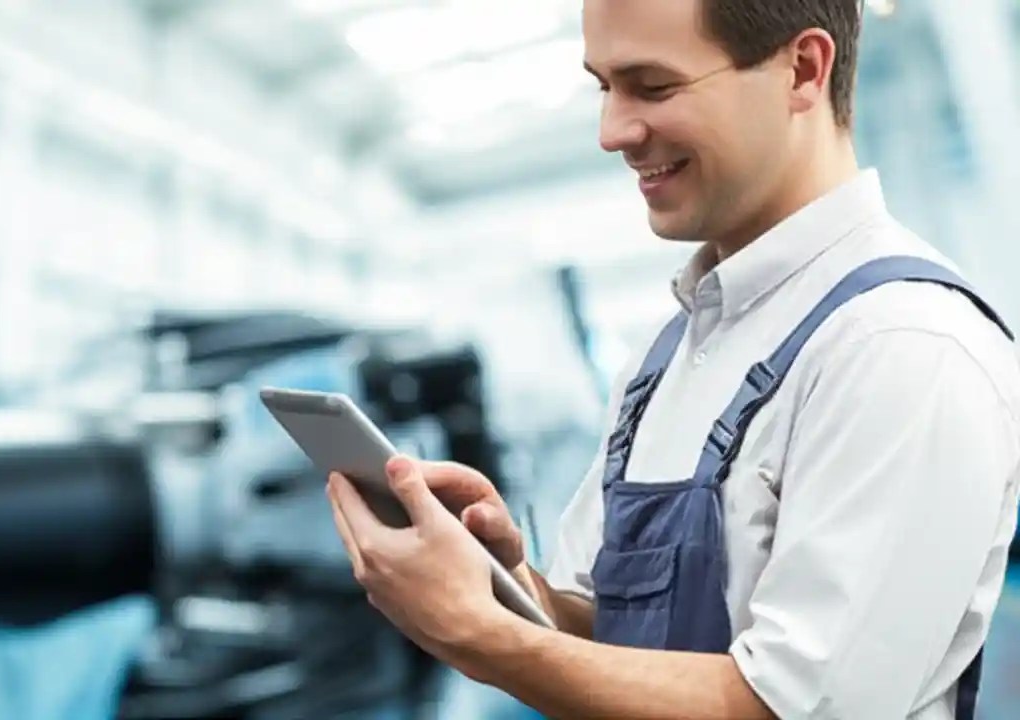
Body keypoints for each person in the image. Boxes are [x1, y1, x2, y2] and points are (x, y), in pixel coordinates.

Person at [324, 0, 1020, 718]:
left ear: (802, 71)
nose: (612, 132)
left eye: (652, 87)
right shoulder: (667, 357)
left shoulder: (900, 347)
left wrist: (484, 638)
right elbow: (613, 642)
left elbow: (796, 709)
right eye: (604, 86)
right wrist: (506, 587)